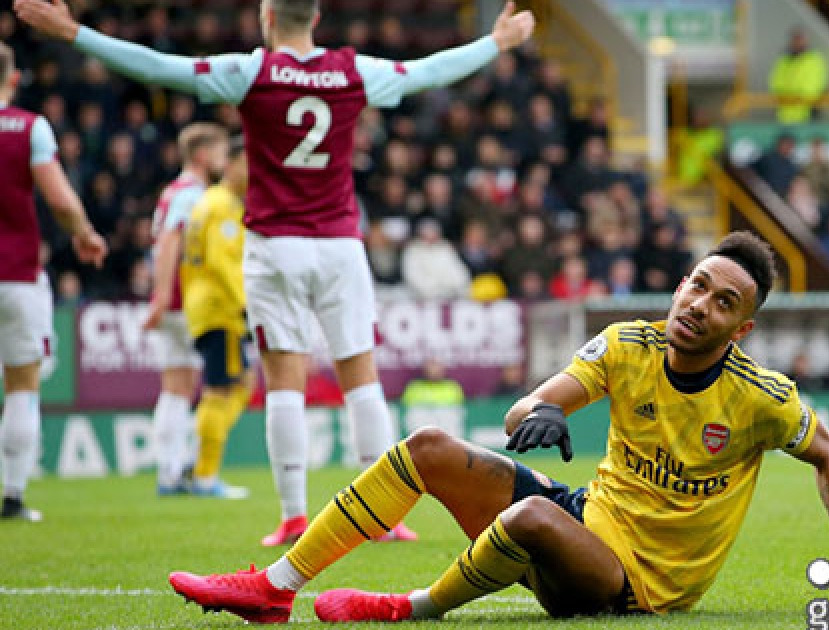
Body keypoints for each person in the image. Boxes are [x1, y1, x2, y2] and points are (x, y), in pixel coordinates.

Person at [16, 0, 535, 544]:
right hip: (338, 244)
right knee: (361, 377)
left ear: (267, 19)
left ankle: (292, 516)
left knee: (284, 382)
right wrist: (494, 43)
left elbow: (155, 67)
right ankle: (384, 518)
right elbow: (432, 70)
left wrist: (73, 32)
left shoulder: (251, 72)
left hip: (274, 245)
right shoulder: (352, 71)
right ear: (314, 19)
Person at [165, 231, 829, 623]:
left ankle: (410, 608)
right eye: (695, 284)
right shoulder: (629, 345)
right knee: (430, 446)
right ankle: (274, 589)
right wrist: (542, 409)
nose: (698, 304)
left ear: (742, 327)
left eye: (723, 302)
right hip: (587, 518)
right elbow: (520, 410)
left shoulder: (761, 397)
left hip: (635, 581)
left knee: (531, 514)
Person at [0, 42, 107, 522]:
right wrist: (84, 234)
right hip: (19, 275)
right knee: (22, 384)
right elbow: (60, 199)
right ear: (15, 78)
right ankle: (14, 496)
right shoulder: (28, 127)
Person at [145, 122, 229, 497]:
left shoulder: (172, 192)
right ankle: (181, 471)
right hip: (184, 300)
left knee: (177, 386)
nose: (225, 160)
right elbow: (170, 240)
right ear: (202, 155)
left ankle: (171, 472)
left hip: (175, 299)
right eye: (220, 152)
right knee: (187, 385)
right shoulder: (192, 195)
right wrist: (163, 295)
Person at [179, 137, 253, 499]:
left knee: (243, 383)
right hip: (220, 307)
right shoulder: (222, 205)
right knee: (219, 389)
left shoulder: (209, 202)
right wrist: (247, 305)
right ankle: (205, 474)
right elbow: (222, 262)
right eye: (249, 165)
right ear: (232, 164)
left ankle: (201, 463)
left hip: (206, 304)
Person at [769, 29, 827, 125]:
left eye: (800, 40)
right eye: (795, 40)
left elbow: (816, 83)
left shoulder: (813, 59)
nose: (797, 43)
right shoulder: (784, 60)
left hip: (806, 111)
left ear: (806, 41)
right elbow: (775, 81)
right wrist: (782, 96)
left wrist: (802, 96)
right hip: (784, 112)